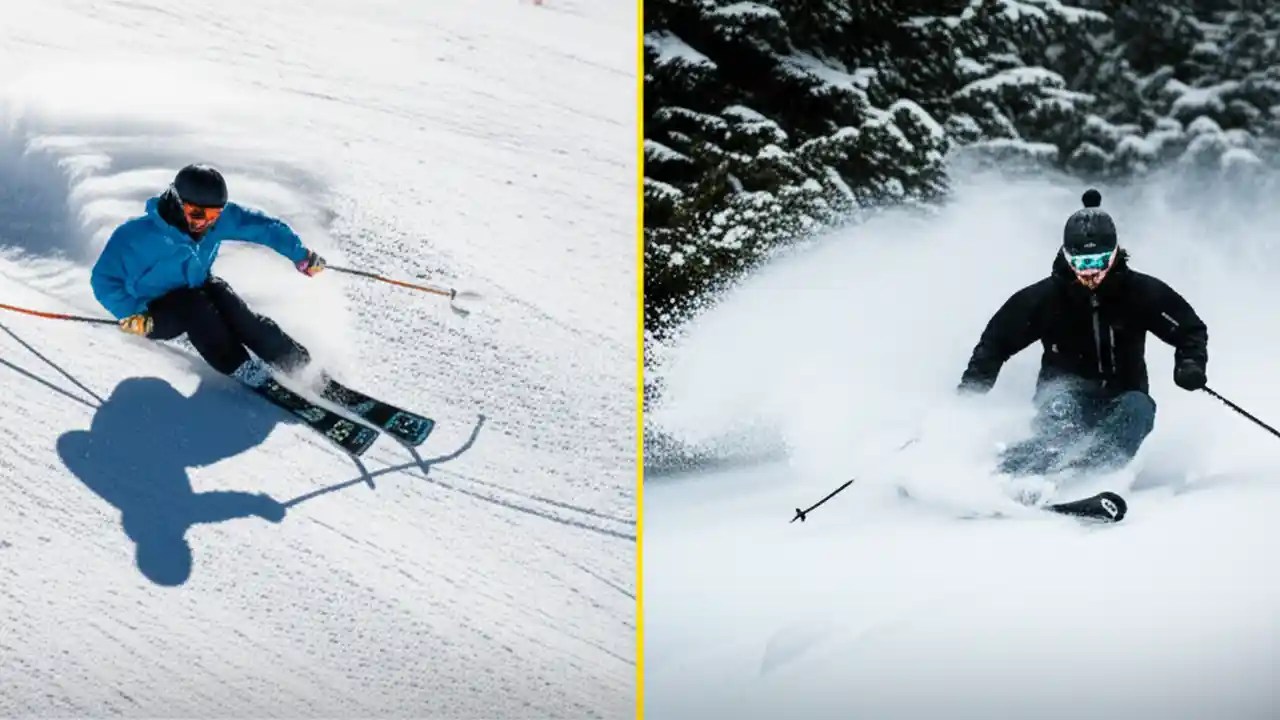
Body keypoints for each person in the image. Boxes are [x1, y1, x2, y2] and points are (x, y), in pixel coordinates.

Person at [957, 188, 1209, 476]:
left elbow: (1190, 331)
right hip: (1063, 392)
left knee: (1139, 408)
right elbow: (995, 344)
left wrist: (1190, 365)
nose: (1090, 273)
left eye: (1098, 262)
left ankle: (1088, 475)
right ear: (1067, 257)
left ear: (1114, 256)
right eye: (1081, 263)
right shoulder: (1045, 299)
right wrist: (969, 396)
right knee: (1061, 417)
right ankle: (1004, 473)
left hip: (1123, 394)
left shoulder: (1141, 293)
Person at [91, 164, 327, 387]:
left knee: (232, 306)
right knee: (196, 308)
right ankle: (240, 366)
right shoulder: (136, 236)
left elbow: (264, 228)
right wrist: (132, 313)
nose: (204, 222)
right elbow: (103, 279)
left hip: (198, 288)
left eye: (214, 215)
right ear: (176, 202)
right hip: (154, 313)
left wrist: (300, 255)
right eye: (196, 213)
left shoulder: (213, 224)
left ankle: (297, 363)